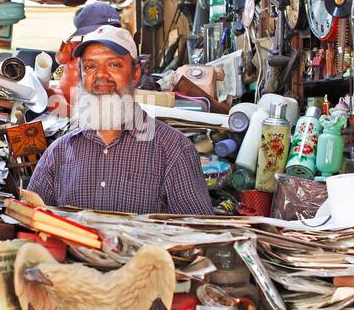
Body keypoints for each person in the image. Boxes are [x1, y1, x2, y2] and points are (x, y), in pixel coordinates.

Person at [27, 25, 215, 215]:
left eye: (113, 64)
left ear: (135, 73)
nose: (101, 75)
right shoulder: (58, 153)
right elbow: (28, 220)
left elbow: (200, 233)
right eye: (90, 66)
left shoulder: (173, 150)